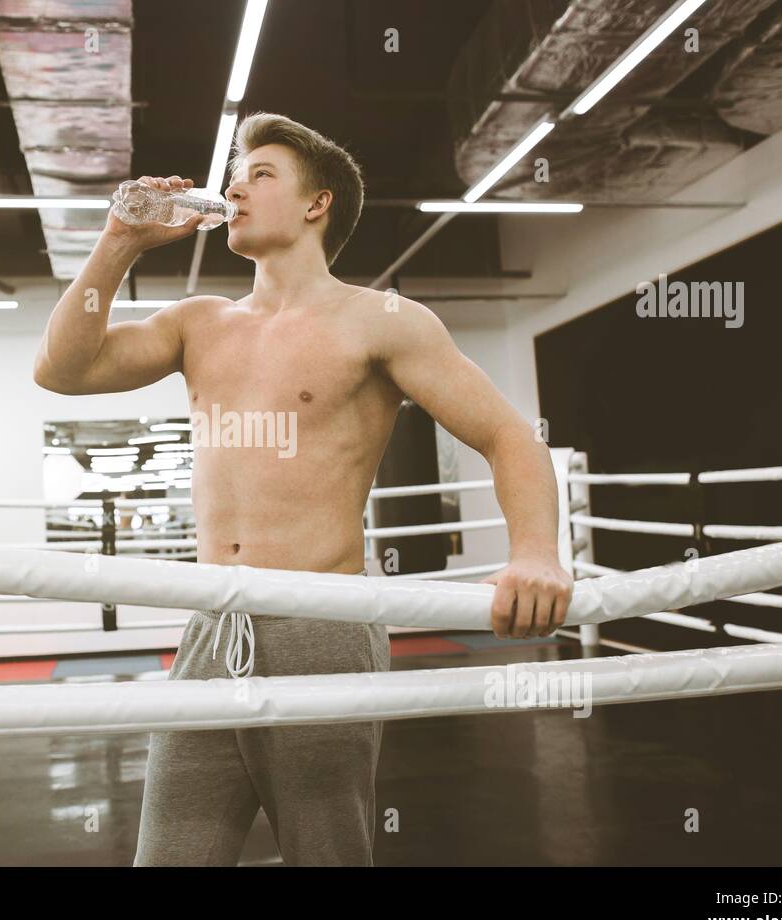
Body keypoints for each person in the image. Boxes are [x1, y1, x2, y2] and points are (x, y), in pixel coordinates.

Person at [33, 112, 574, 866]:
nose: (235, 187)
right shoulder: (200, 322)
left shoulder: (381, 321)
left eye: (261, 174)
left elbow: (509, 435)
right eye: (235, 175)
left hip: (320, 623)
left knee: (329, 855)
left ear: (318, 204)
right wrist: (119, 241)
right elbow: (62, 370)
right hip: (210, 628)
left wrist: (537, 551)